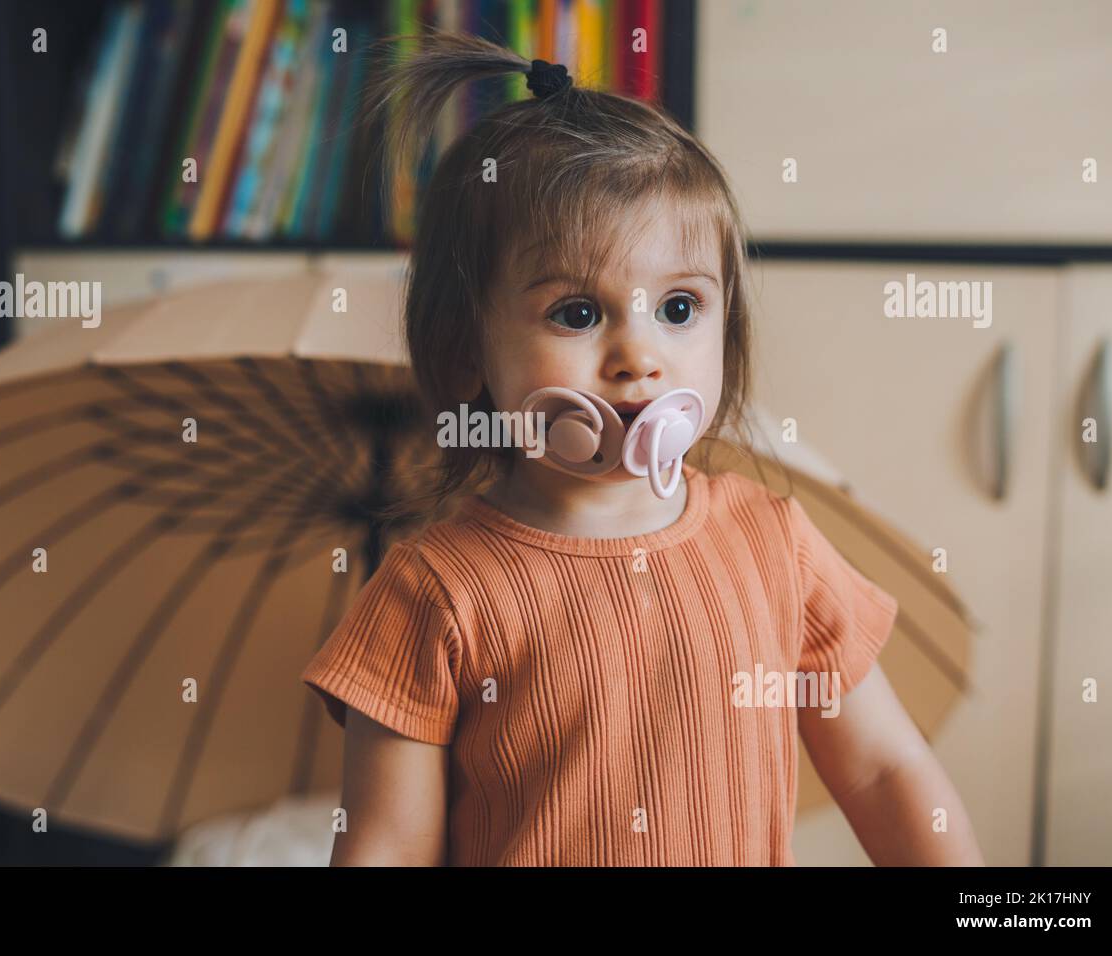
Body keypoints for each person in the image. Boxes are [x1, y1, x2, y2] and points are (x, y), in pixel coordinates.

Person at [300, 30, 983, 867]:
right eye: (578, 314)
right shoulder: (433, 593)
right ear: (464, 353)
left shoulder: (776, 544)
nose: (640, 355)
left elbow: (882, 771)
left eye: (680, 308)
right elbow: (386, 848)